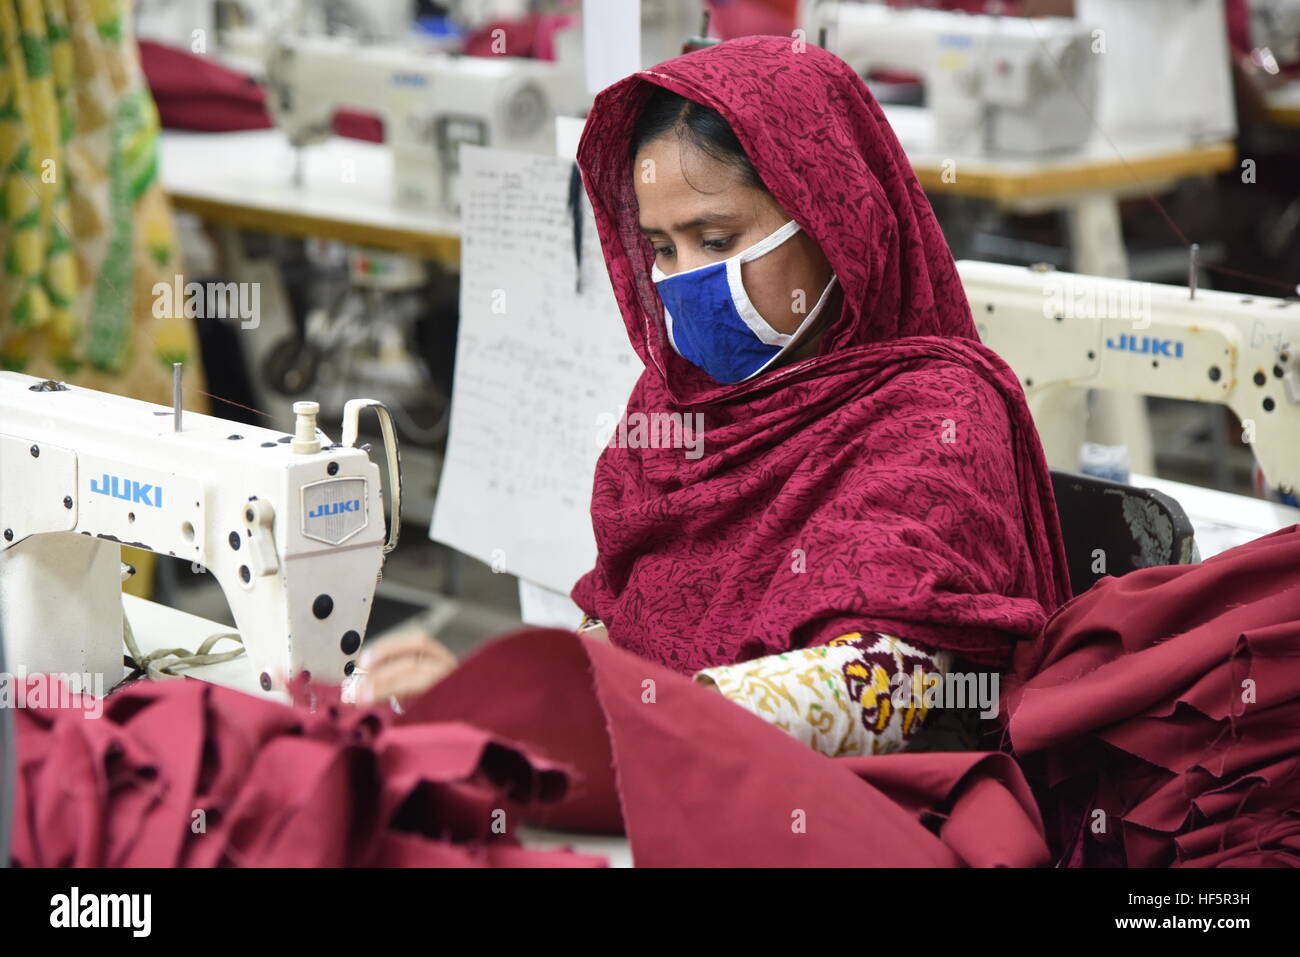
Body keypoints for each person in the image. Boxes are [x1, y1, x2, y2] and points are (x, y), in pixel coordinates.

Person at [357, 35, 1072, 758]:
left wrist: (607, 721)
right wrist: (504, 694)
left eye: (717, 238)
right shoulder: (673, 407)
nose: (686, 279)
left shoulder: (936, 411)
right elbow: (621, 634)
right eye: (663, 249)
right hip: (660, 777)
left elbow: (882, 687)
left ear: (833, 221)